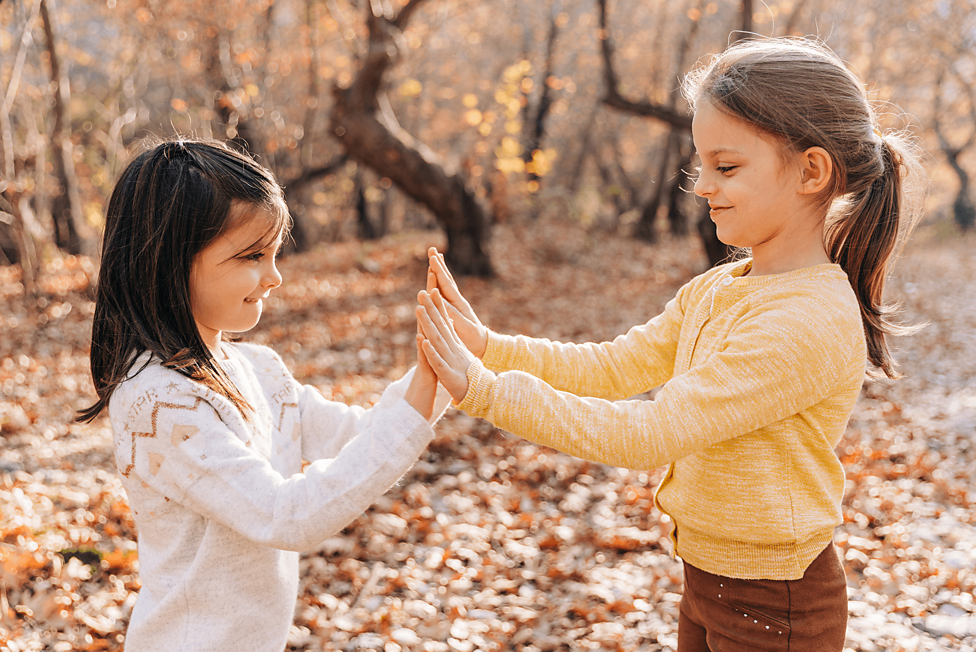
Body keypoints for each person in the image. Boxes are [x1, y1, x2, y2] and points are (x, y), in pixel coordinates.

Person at [416, 37, 923, 652]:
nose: (702, 184)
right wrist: (492, 347)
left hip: (778, 606)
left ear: (812, 172)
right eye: (700, 164)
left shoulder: (804, 322)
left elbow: (649, 432)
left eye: (727, 166)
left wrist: (486, 392)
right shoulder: (721, 287)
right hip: (709, 580)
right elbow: (614, 366)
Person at [78, 138, 451, 652]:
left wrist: (443, 371)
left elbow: (359, 437)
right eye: (252, 255)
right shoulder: (159, 405)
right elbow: (286, 514)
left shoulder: (259, 369)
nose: (274, 276)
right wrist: (426, 392)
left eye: (274, 253)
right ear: (169, 261)